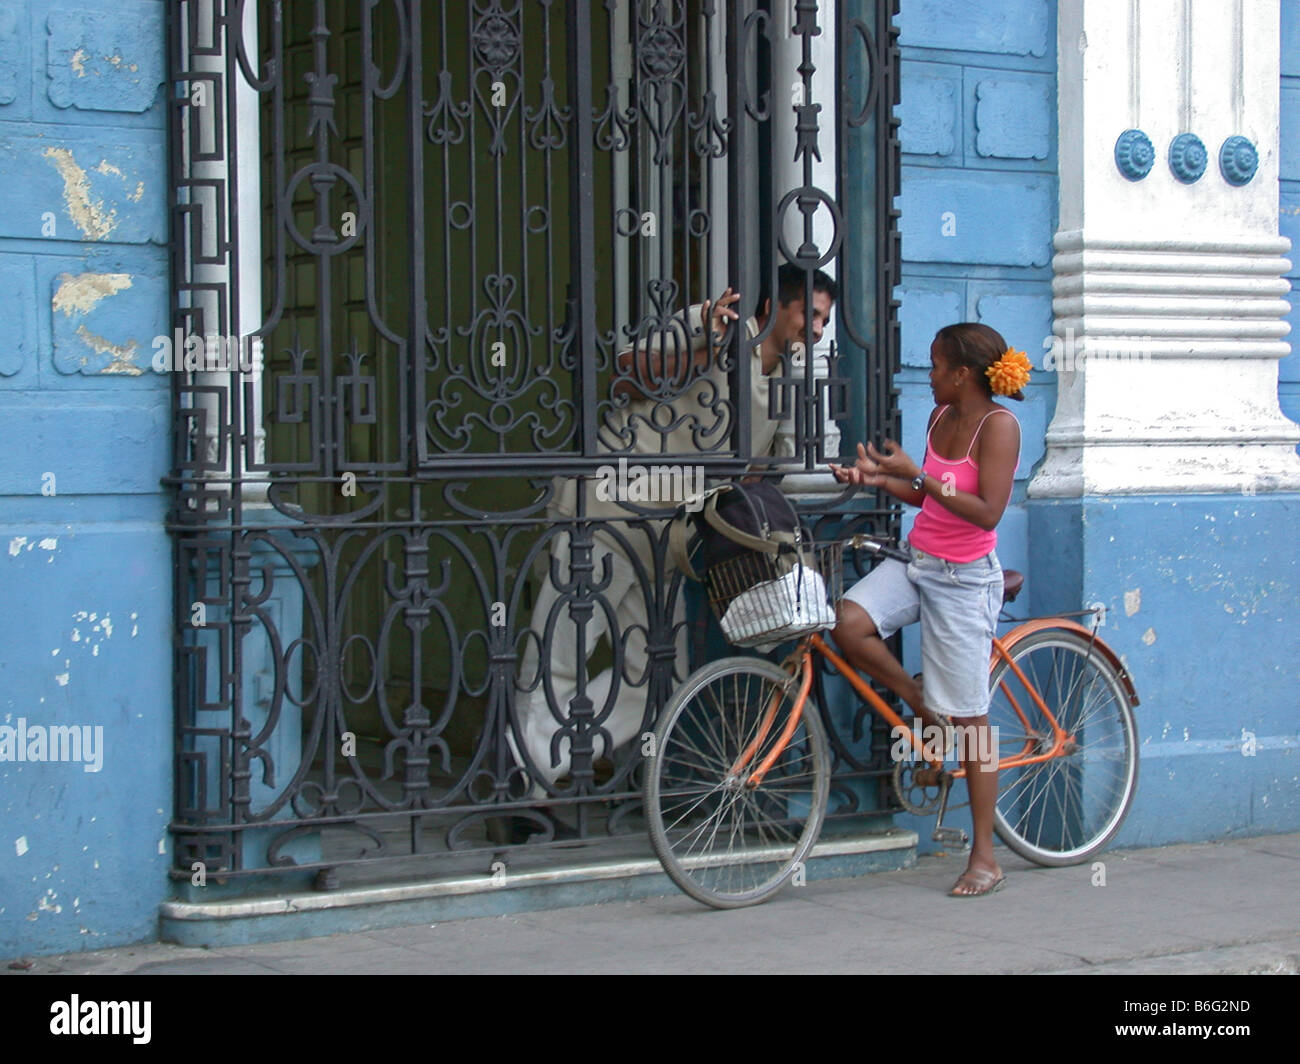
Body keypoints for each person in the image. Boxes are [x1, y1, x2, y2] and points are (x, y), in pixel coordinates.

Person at [509, 265, 837, 835]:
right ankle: (527, 787)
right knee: (566, 644)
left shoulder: (786, 381)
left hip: (674, 534)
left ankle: (543, 752)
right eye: (807, 313)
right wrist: (706, 343)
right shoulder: (711, 324)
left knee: (659, 671)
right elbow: (627, 377)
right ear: (773, 306)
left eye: (824, 321)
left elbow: (764, 472)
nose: (815, 328)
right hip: (611, 505)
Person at [829, 322, 1029, 896]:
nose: (931, 372)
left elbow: (986, 512)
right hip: (920, 562)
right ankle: (921, 701)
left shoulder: (1000, 427)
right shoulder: (941, 417)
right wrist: (874, 478)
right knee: (849, 622)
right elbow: (925, 495)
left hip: (965, 581)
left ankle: (986, 857)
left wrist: (915, 474)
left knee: (972, 728)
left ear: (963, 374)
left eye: (938, 364)